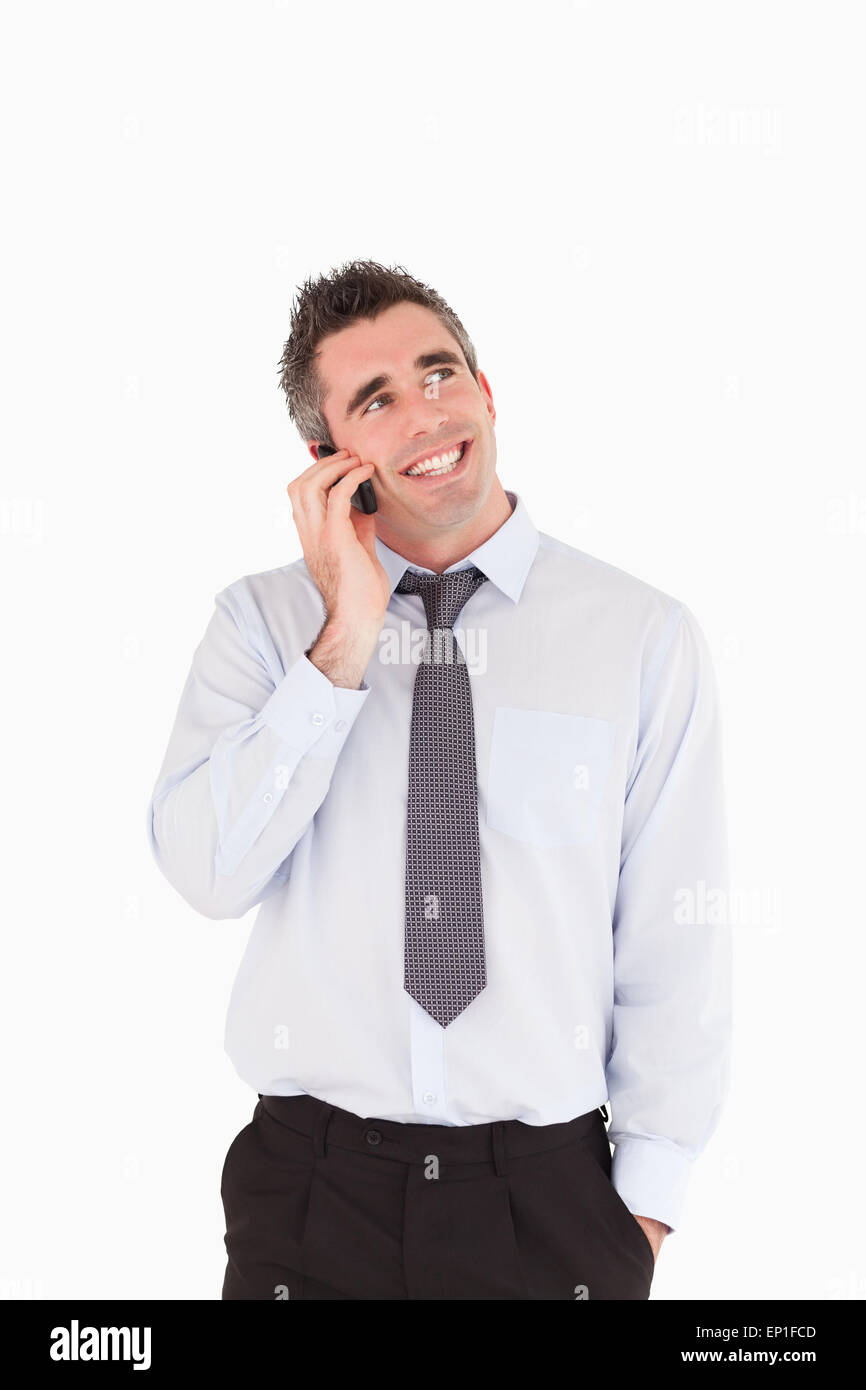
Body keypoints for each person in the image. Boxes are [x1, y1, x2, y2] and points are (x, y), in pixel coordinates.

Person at [146, 259, 732, 1300]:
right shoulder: (262, 627)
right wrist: (345, 640)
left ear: (485, 392)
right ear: (327, 457)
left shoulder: (640, 635)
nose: (424, 414)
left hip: (550, 1198)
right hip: (312, 1189)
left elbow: (673, 944)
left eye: (438, 373)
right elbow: (206, 873)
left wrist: (639, 1215)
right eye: (376, 401)